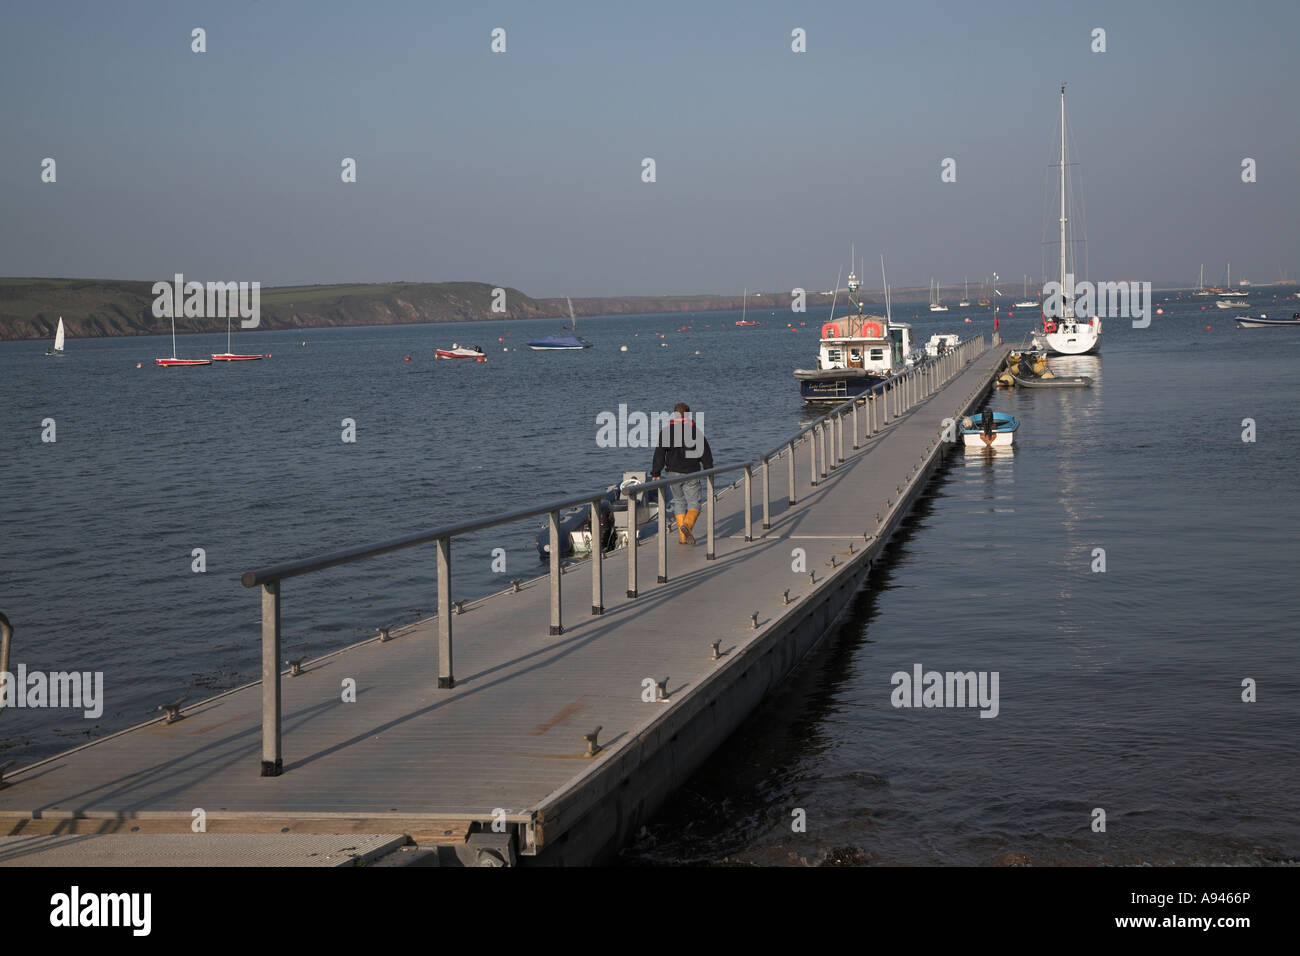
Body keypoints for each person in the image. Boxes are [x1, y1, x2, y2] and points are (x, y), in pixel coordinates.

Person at [650, 402, 714, 545]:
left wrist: (656, 472)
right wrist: (709, 468)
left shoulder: (666, 432)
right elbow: (705, 453)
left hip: (672, 473)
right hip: (691, 472)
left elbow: (659, 454)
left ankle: (682, 537)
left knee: (678, 502)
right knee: (695, 503)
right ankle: (687, 525)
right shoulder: (695, 432)